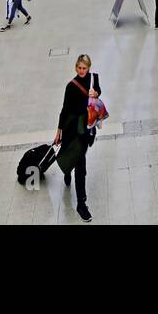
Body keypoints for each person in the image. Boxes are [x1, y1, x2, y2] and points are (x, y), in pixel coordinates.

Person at [54, 54, 101, 222]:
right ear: (76, 67)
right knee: (77, 162)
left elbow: (99, 92)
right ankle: (80, 199)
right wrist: (59, 129)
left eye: (85, 68)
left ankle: (81, 201)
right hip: (72, 129)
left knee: (80, 163)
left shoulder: (93, 79)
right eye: (79, 68)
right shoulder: (71, 86)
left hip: (86, 129)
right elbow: (65, 109)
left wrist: (95, 93)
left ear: (89, 68)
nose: (82, 71)